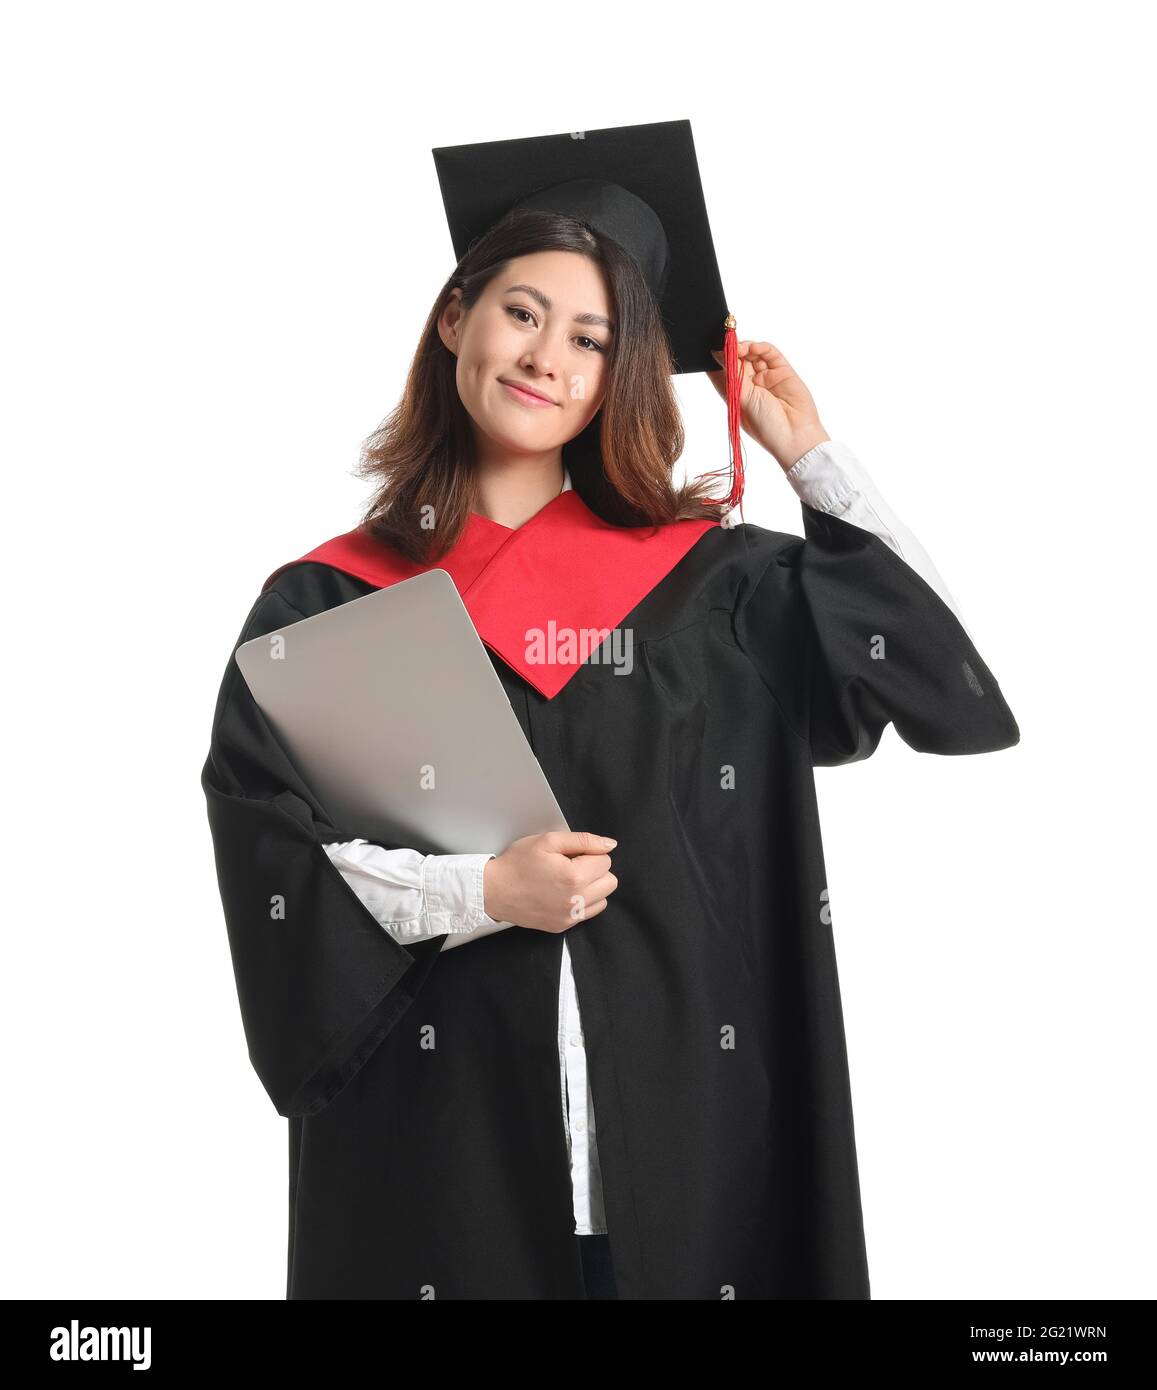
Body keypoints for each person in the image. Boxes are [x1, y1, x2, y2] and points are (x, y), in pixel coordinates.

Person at [202, 120, 1019, 1301]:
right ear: (454, 320)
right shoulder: (326, 600)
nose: (546, 357)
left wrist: (808, 455)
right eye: (522, 312)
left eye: (591, 337)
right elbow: (277, 869)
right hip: (439, 1169)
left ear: (616, 374)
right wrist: (485, 895)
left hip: (698, 1165)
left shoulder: (715, 586)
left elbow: (941, 673)